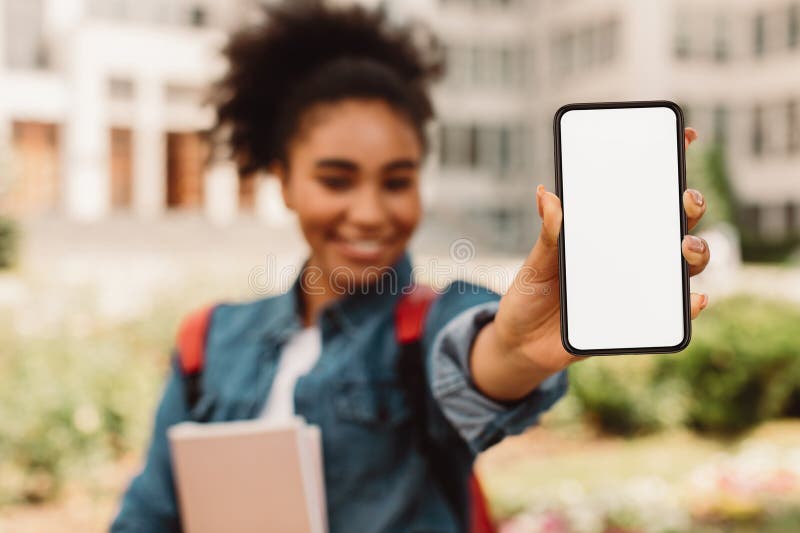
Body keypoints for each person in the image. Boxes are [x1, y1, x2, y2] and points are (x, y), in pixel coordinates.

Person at [110, 2, 712, 532]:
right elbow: (149, 516)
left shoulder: (428, 325)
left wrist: (515, 350)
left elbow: (479, 357)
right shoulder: (208, 342)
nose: (370, 213)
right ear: (283, 180)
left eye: (397, 182)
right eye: (336, 180)